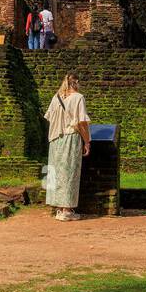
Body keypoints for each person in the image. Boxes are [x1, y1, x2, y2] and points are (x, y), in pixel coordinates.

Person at [43, 73, 91, 221]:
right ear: (75, 83)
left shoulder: (56, 98)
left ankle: (58, 208)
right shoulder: (78, 98)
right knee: (70, 173)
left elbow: (49, 119)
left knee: (55, 172)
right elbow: (81, 123)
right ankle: (67, 210)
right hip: (70, 138)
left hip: (55, 140)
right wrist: (87, 141)